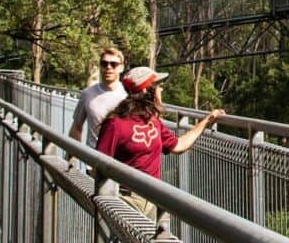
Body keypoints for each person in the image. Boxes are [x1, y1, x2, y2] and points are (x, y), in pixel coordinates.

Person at [96, 65, 223, 226]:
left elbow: (178, 146)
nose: (160, 90)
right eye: (157, 86)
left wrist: (206, 121)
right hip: (125, 200)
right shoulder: (115, 123)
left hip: (153, 197)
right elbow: (99, 164)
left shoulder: (153, 122)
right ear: (145, 91)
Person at [69, 46, 127, 147]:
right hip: (94, 157)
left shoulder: (128, 95)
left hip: (120, 159)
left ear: (121, 68)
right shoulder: (87, 94)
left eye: (113, 64)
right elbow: (76, 128)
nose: (108, 67)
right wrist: (71, 158)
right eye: (104, 64)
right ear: (100, 66)